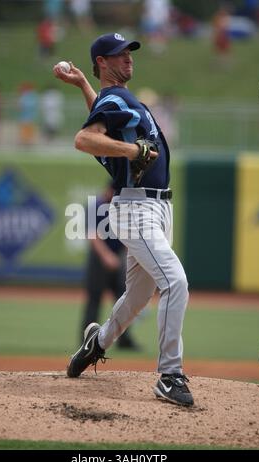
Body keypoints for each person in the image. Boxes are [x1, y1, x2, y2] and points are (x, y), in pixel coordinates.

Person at [53, 33, 193, 407]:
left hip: (157, 208)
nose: (128, 58)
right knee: (175, 281)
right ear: (103, 61)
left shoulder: (113, 99)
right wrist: (133, 150)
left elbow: (102, 118)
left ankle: (95, 344)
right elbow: (84, 139)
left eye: (130, 52)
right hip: (137, 208)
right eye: (119, 54)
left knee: (138, 296)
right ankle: (170, 375)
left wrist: (83, 83)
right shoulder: (117, 97)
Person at [82, 181, 140, 350]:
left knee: (124, 300)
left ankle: (124, 339)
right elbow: (93, 235)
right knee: (94, 299)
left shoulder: (121, 208)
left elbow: (127, 235)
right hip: (99, 259)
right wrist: (107, 256)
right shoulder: (96, 205)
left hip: (118, 258)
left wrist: (124, 257)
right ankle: (85, 341)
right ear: (109, 190)